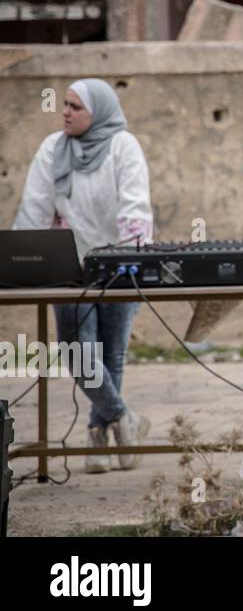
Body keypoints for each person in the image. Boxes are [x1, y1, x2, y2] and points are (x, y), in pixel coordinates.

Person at [13, 78, 154, 473]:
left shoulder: (123, 147)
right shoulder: (53, 149)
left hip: (119, 265)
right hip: (68, 271)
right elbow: (36, 210)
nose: (66, 112)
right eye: (65, 104)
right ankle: (124, 418)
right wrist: (25, 261)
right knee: (79, 355)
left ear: (99, 112)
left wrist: (132, 260)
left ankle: (98, 442)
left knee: (112, 354)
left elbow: (134, 205)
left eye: (76, 106)